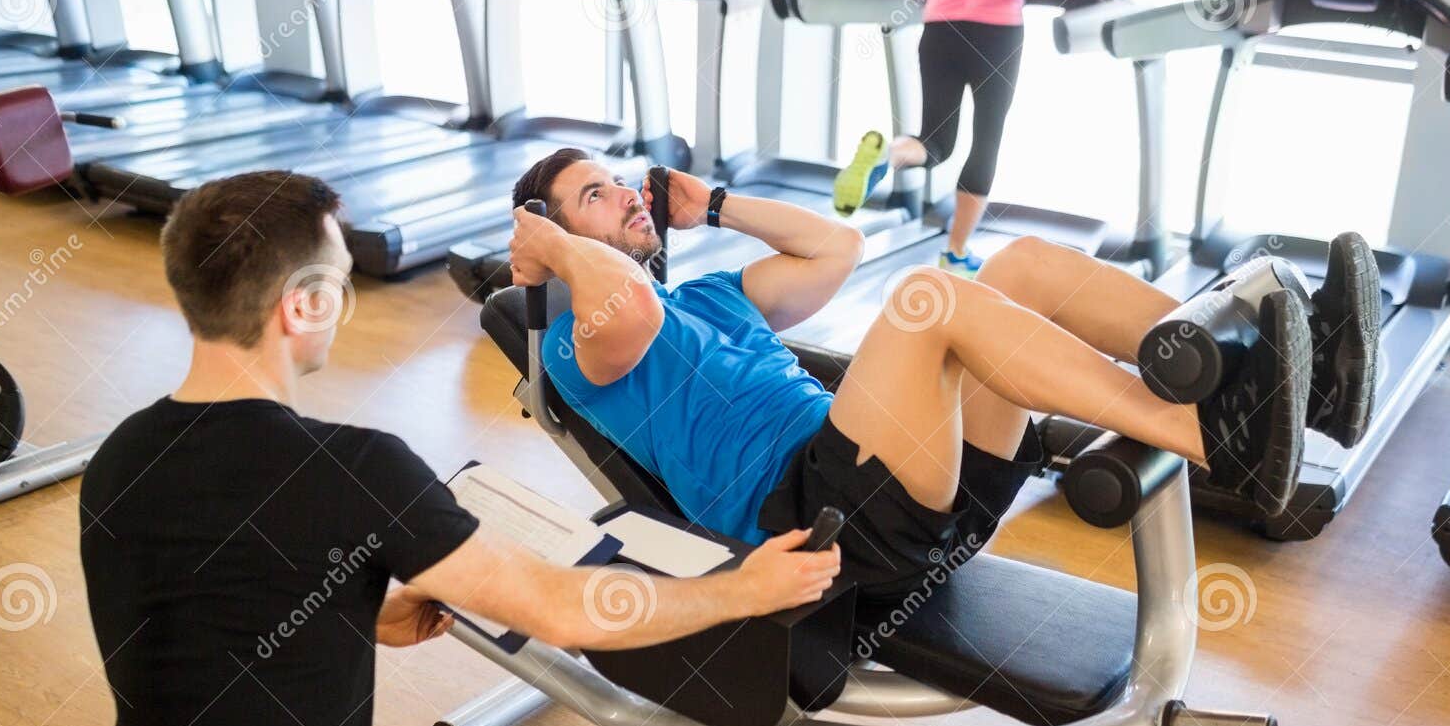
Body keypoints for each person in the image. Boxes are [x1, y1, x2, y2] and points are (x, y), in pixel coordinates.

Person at [79, 172, 841, 726]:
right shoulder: (354, 469)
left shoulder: (119, 458)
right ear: (301, 305)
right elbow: (561, 610)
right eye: (339, 286)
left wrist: (351, 612)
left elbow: (186, 609)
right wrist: (740, 588)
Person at [508, 151, 1382, 602]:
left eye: (622, 180)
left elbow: (835, 248)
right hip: (823, 526)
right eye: (597, 194)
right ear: (553, 231)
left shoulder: (713, 295)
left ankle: (1263, 378)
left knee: (1028, 263)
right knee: (932, 297)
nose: (627, 193)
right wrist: (550, 252)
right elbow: (628, 309)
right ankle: (1211, 439)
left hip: (902, 486)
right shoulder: (574, 350)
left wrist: (719, 207)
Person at [833, 0, 1069, 277]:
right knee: (986, 139)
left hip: (942, 20)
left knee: (936, 141)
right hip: (995, 27)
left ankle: (887, 155)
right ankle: (956, 253)